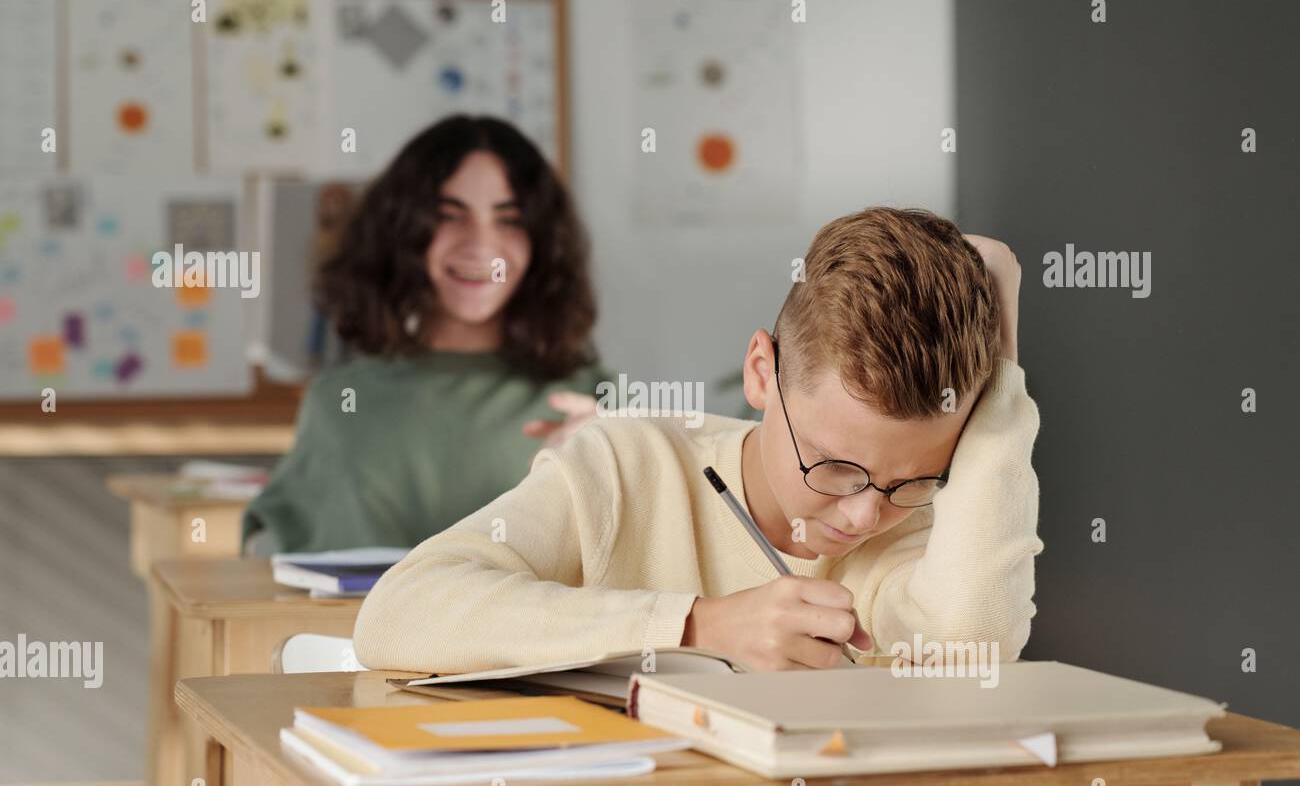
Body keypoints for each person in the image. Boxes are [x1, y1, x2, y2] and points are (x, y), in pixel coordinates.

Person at [354, 207, 1043, 673]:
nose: (865, 514)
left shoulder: (923, 532)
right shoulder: (628, 465)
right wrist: (697, 627)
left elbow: (969, 646)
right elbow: (398, 614)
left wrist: (1003, 375)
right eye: (836, 467)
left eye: (919, 477)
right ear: (760, 373)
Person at [242, 116, 609, 553]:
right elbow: (267, 559)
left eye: (508, 219)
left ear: (542, 243)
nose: (480, 245)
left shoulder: (598, 402)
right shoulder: (337, 404)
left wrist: (615, 466)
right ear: (403, 233)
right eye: (449, 215)